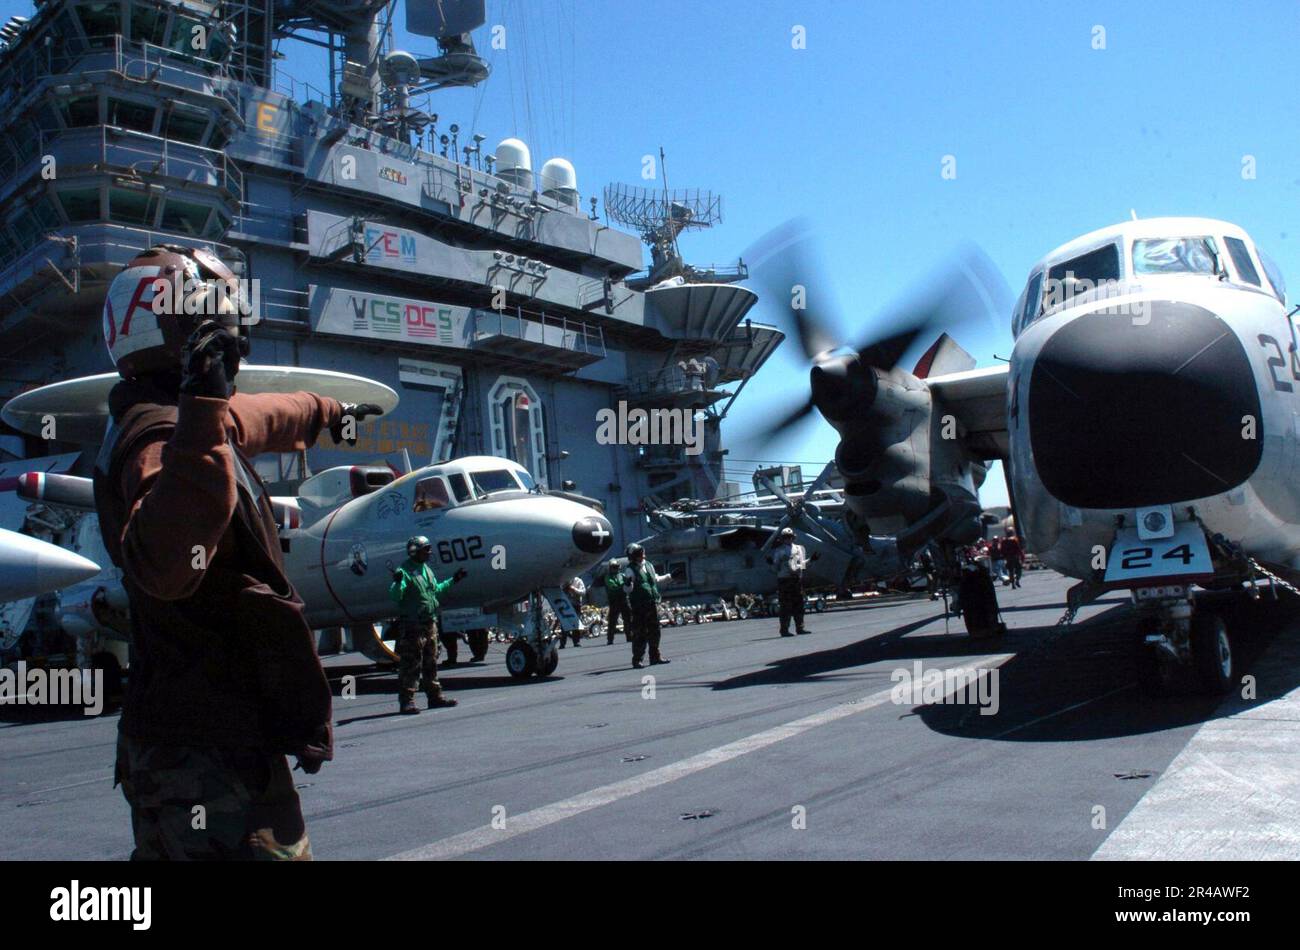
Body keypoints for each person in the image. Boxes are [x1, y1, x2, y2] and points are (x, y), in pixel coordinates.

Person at [93, 244, 384, 860]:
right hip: (201, 755)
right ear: (181, 326)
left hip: (216, 737)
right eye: (220, 316)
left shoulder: (189, 415)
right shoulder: (163, 434)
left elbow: (264, 415)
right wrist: (202, 410)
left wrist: (329, 415)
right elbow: (168, 564)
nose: (236, 329)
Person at [389, 536, 467, 714]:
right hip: (412, 625)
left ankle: (434, 696)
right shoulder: (405, 571)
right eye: (426, 549)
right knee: (411, 664)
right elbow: (395, 596)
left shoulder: (426, 570)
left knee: (431, 662)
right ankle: (406, 700)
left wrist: (454, 580)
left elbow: (436, 590)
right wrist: (398, 581)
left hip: (429, 623)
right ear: (415, 551)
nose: (429, 552)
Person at [622, 543, 672, 668]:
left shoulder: (649, 565)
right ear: (633, 556)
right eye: (638, 553)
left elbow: (655, 579)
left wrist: (670, 576)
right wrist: (628, 584)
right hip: (639, 605)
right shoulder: (630, 569)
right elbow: (627, 590)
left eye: (641, 552)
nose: (642, 554)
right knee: (640, 632)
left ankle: (655, 656)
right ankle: (637, 659)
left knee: (655, 630)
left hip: (651, 603)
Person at [767, 527, 816, 636]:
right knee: (785, 606)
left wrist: (811, 560)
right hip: (784, 580)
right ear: (782, 539)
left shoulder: (799, 549)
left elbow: (802, 564)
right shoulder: (779, 551)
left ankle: (800, 628)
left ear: (793, 538)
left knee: (799, 605)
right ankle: (784, 630)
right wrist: (771, 564)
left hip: (796, 579)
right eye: (785, 538)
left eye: (789, 537)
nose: (788, 539)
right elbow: (775, 569)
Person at [604, 559, 631, 644]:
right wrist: (625, 584)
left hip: (623, 599)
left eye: (617, 567)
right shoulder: (608, 577)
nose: (616, 569)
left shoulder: (622, 575)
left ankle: (629, 636)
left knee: (628, 619)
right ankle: (610, 639)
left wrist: (629, 582)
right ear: (610, 568)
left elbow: (629, 585)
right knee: (612, 621)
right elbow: (613, 586)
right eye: (614, 567)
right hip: (614, 601)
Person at [558, 575, 586, 648]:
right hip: (566, 605)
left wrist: (574, 589)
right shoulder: (564, 581)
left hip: (576, 604)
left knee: (576, 623)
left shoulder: (578, 581)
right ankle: (562, 643)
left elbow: (583, 592)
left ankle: (576, 641)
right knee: (564, 623)